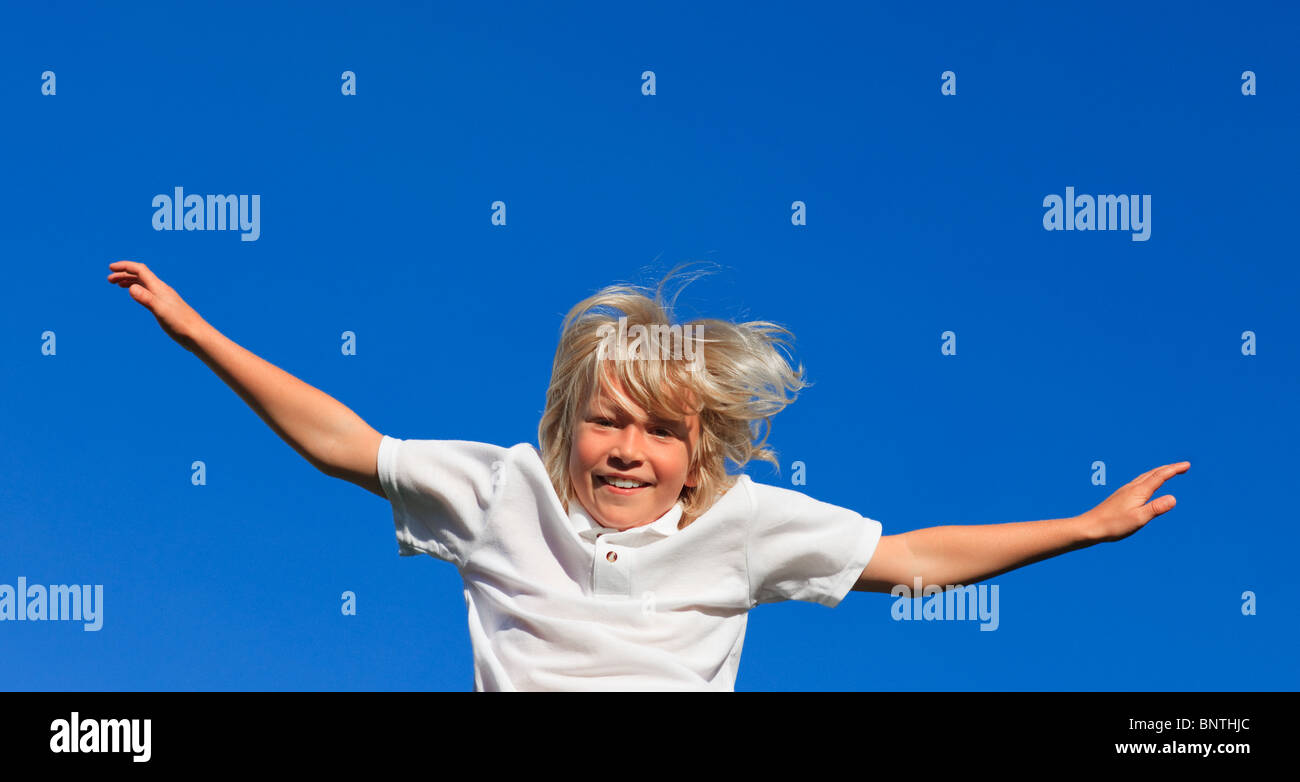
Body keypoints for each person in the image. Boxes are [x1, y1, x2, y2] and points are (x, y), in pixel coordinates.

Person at [107, 259, 1190, 691]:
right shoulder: (499, 489)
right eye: (607, 422)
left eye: (661, 433)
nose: (629, 448)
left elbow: (909, 556)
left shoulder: (747, 521)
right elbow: (346, 441)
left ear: (700, 450)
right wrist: (200, 330)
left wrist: (1083, 527)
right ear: (564, 425)